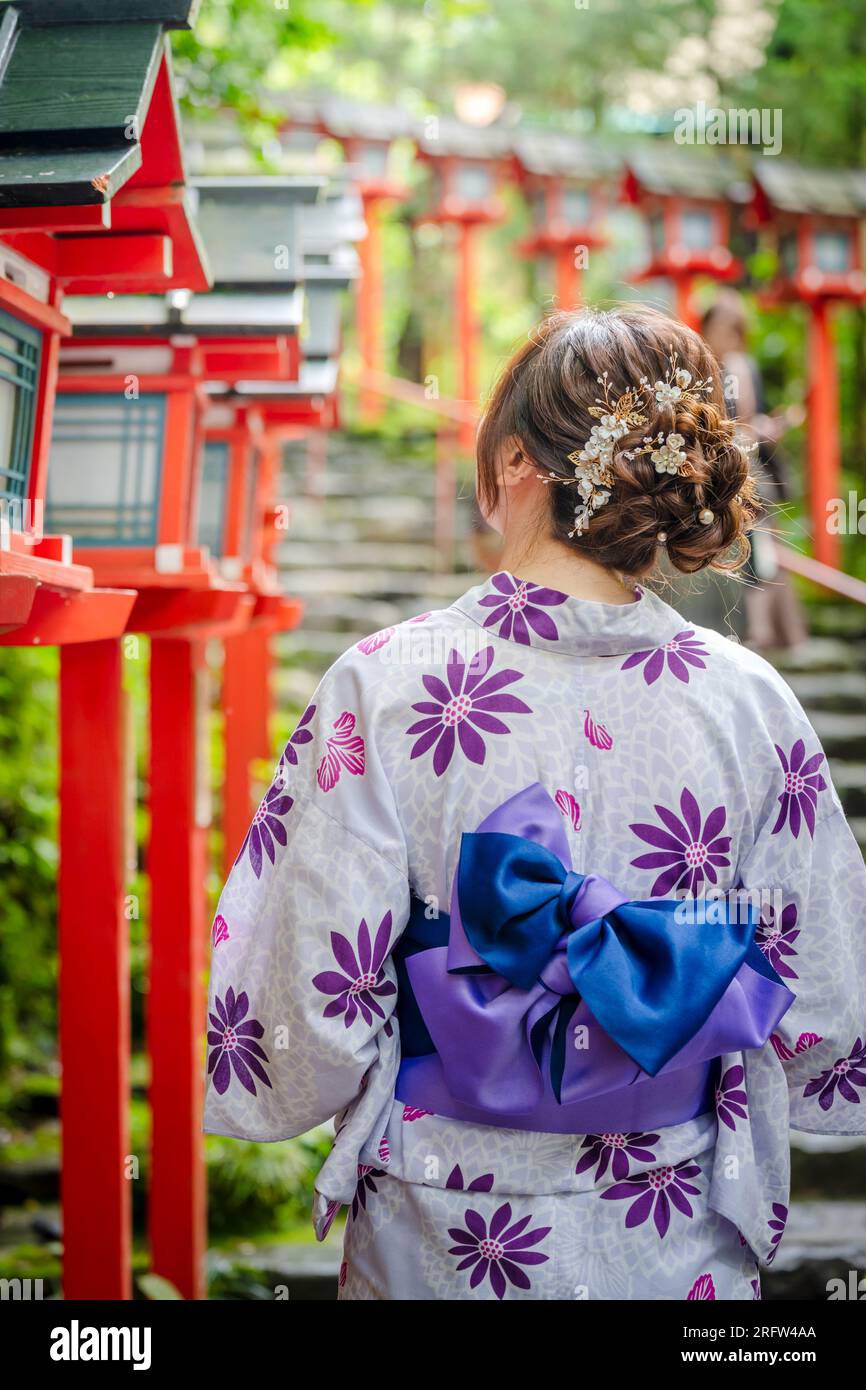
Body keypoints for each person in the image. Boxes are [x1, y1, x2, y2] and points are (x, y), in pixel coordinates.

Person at [204, 306, 866, 1301]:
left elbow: (308, 1008)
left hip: (443, 1224)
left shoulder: (384, 686)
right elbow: (821, 1003)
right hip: (673, 1223)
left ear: (514, 458)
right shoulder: (749, 702)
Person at [700, 291, 808, 651]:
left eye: (731, 328)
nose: (724, 335)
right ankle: (761, 632)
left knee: (760, 551)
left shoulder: (743, 367)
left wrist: (767, 427)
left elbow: (748, 423)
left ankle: (765, 632)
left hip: (749, 473)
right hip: (721, 472)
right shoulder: (705, 369)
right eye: (719, 327)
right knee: (748, 551)